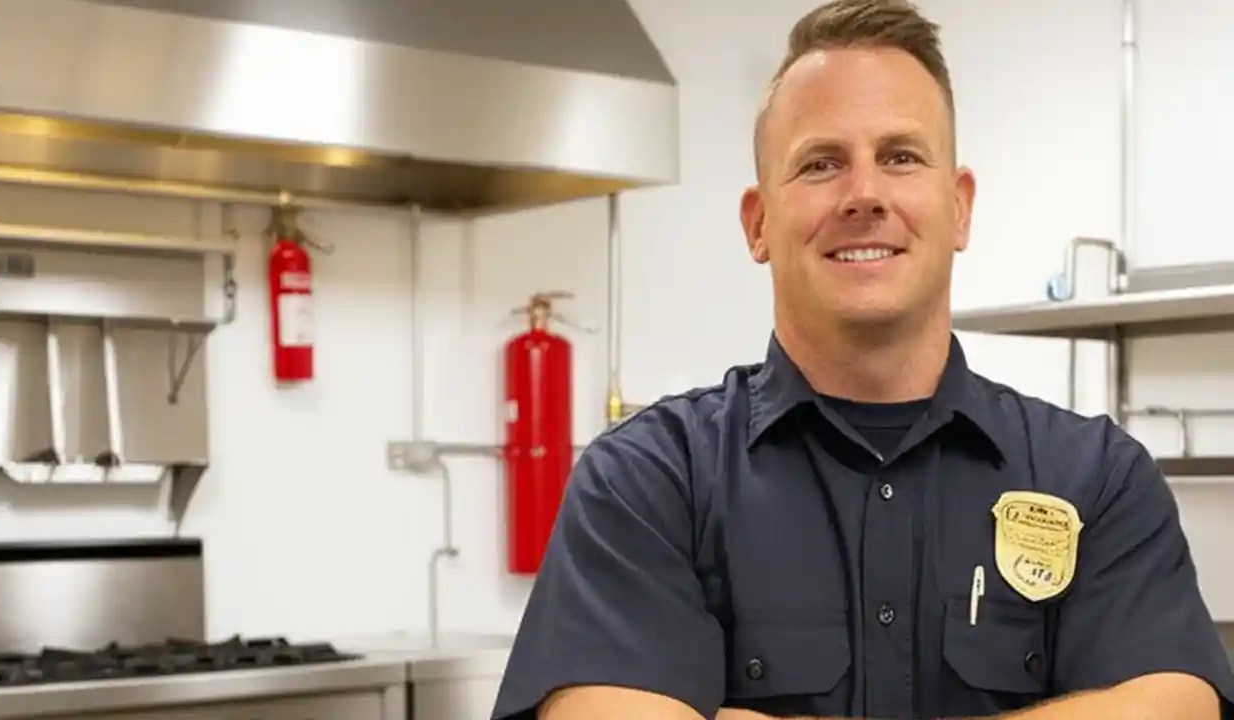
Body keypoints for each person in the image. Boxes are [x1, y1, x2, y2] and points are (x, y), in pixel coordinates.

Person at [490, 0, 1234, 717]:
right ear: (758, 223)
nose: (865, 193)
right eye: (820, 164)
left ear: (960, 206)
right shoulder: (649, 482)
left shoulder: (1096, 478)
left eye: (901, 156)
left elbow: (1176, 707)